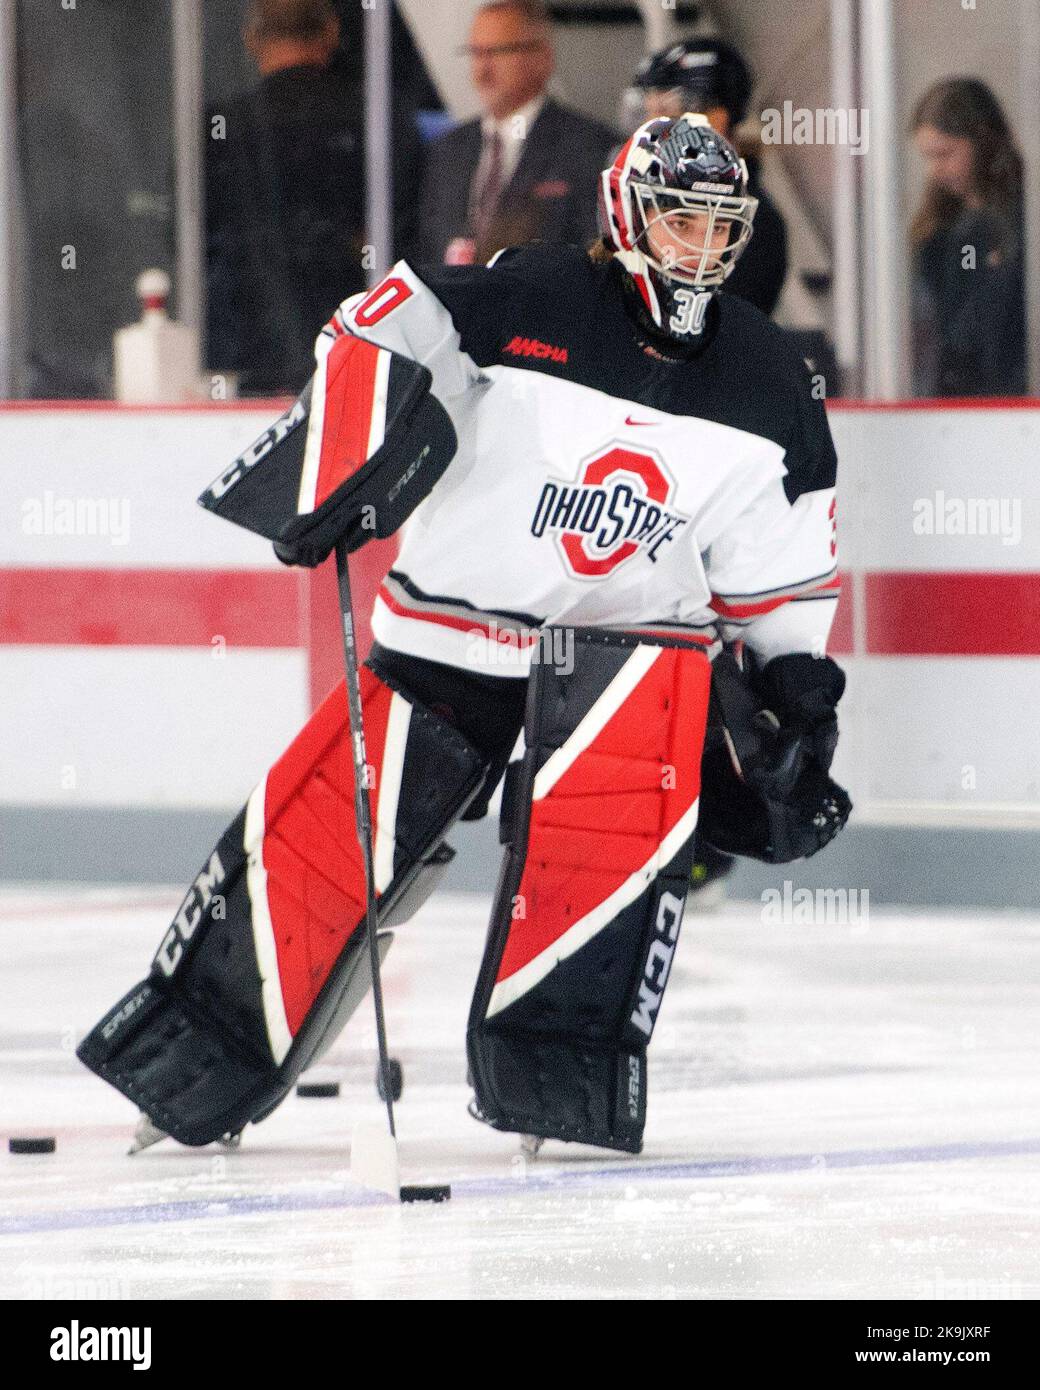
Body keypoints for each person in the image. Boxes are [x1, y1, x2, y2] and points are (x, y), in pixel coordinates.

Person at [79, 115, 850, 1158]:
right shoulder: (531, 293)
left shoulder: (768, 379)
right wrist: (344, 446)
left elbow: (782, 563)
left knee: (600, 865)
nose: (698, 249)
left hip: (621, 662)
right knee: (324, 847)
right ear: (624, 214)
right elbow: (381, 318)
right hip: (449, 632)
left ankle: (561, 1081)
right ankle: (198, 1052)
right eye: (678, 221)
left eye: (718, 227)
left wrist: (796, 700)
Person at [205, 0, 422, 394]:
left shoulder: (220, 130)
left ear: (251, 40)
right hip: (357, 346)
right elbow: (409, 236)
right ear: (331, 33)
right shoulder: (378, 118)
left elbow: (191, 238)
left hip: (247, 354)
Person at [416, 0, 620, 266]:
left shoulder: (590, 148)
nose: (482, 70)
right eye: (476, 53)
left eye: (497, 52)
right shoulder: (448, 149)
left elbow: (595, 256)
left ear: (542, 57)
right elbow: (426, 247)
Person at [626, 38, 788, 318]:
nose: (648, 129)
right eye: (647, 113)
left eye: (664, 114)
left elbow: (720, 331)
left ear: (715, 120)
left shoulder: (754, 221)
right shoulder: (633, 194)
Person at [910, 78, 1026, 398]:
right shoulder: (937, 231)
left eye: (945, 154)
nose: (936, 170)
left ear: (983, 143)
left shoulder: (1023, 221)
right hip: (953, 398)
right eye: (929, 157)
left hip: (1008, 396)